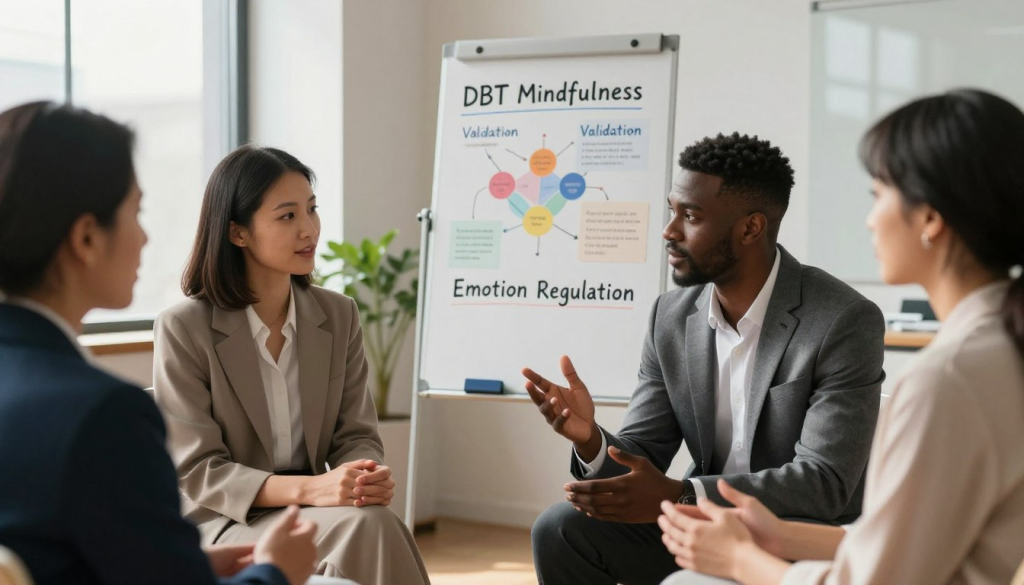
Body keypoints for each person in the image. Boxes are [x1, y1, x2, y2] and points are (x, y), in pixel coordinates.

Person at [658, 89, 1024, 585]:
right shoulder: (998, 348)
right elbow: (907, 544)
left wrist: (740, 560)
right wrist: (779, 536)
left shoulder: (947, 379)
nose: (870, 220)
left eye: (878, 196)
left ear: (931, 219)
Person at [524, 132, 886, 585]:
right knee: (561, 528)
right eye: (673, 209)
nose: (669, 230)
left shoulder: (842, 320)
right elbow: (642, 457)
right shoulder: (670, 317)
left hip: (799, 536)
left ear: (750, 228)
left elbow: (825, 482)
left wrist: (686, 494)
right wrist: (592, 442)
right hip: (699, 524)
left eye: (690, 216)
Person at [0, 101, 326, 585]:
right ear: (87, 238)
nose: (145, 237)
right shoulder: (103, 415)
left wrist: (188, 568)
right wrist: (273, 573)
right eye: (136, 211)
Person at [152, 144, 429, 585]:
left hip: (316, 512)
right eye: (288, 216)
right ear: (238, 233)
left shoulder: (338, 315)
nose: (310, 230)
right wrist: (312, 489)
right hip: (226, 523)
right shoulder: (184, 328)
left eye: (312, 210)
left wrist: (360, 476)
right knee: (369, 530)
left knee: (370, 522)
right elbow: (198, 470)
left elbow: (356, 435)